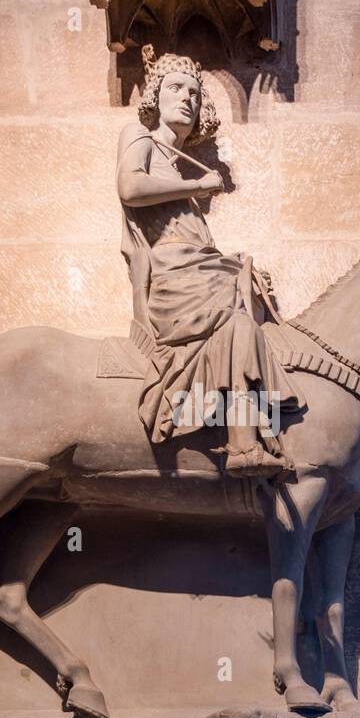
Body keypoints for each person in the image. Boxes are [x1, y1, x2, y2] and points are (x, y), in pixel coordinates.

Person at [116, 45, 300, 477]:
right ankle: (242, 444)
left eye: (195, 94)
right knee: (235, 316)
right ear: (156, 97)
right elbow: (129, 187)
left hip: (192, 273)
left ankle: (251, 428)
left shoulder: (180, 170)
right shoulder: (139, 139)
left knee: (245, 291)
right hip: (169, 282)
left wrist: (233, 264)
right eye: (176, 88)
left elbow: (193, 246)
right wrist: (197, 184)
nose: (187, 98)